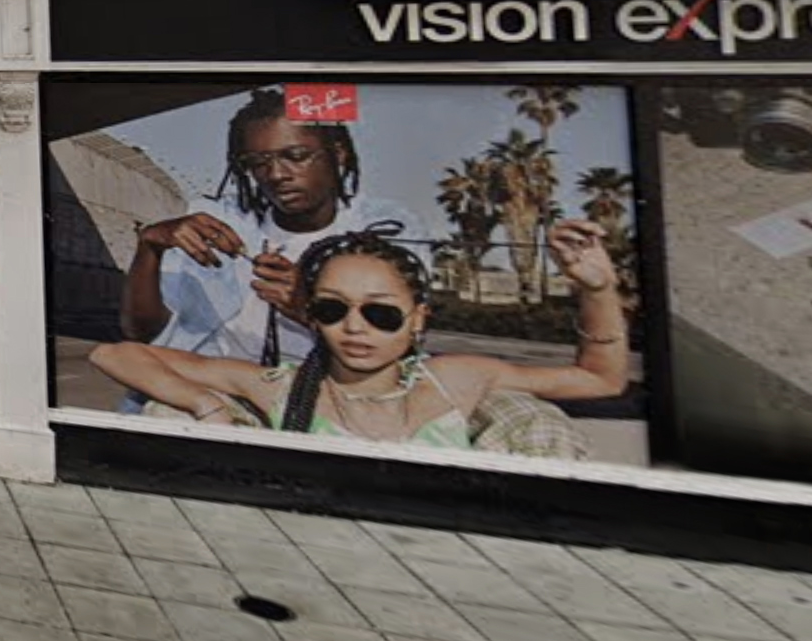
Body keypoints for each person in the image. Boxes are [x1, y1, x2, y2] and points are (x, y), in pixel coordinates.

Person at [89, 220, 628, 451]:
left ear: (418, 318)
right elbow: (117, 352)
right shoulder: (282, 386)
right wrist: (205, 404)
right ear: (312, 315)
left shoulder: (455, 380)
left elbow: (600, 380)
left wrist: (598, 290)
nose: (355, 328)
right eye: (332, 309)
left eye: (381, 314)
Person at [122, 88, 432, 368]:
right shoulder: (216, 222)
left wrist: (311, 307)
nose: (276, 174)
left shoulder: (385, 226)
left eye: (296, 156)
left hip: (326, 398)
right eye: (258, 162)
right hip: (212, 390)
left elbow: (401, 343)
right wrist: (149, 248)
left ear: (338, 154)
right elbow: (141, 331)